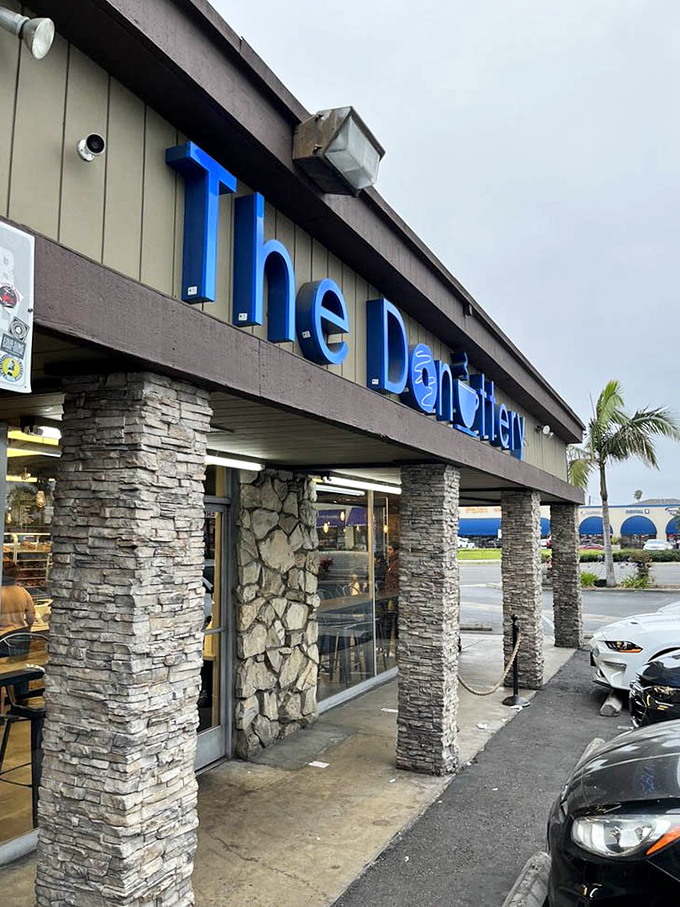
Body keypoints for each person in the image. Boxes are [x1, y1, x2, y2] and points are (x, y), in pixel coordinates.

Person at [0, 561, 36, 633]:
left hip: (2, 636)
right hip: (19, 634)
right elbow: (31, 616)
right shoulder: (23, 592)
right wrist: (28, 628)